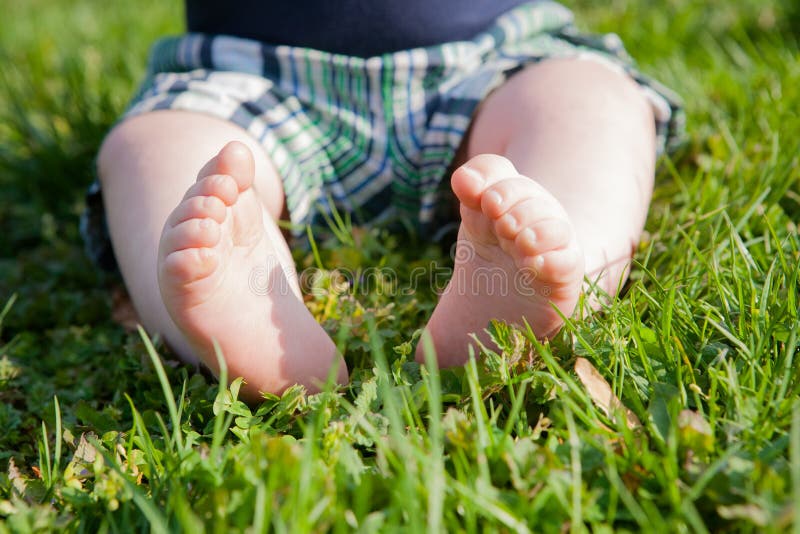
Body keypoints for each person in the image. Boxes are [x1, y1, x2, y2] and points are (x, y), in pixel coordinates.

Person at [83, 0, 683, 401]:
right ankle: (236, 309)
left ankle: (550, 257)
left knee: (587, 99)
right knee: (160, 150)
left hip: (490, 56)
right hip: (243, 72)